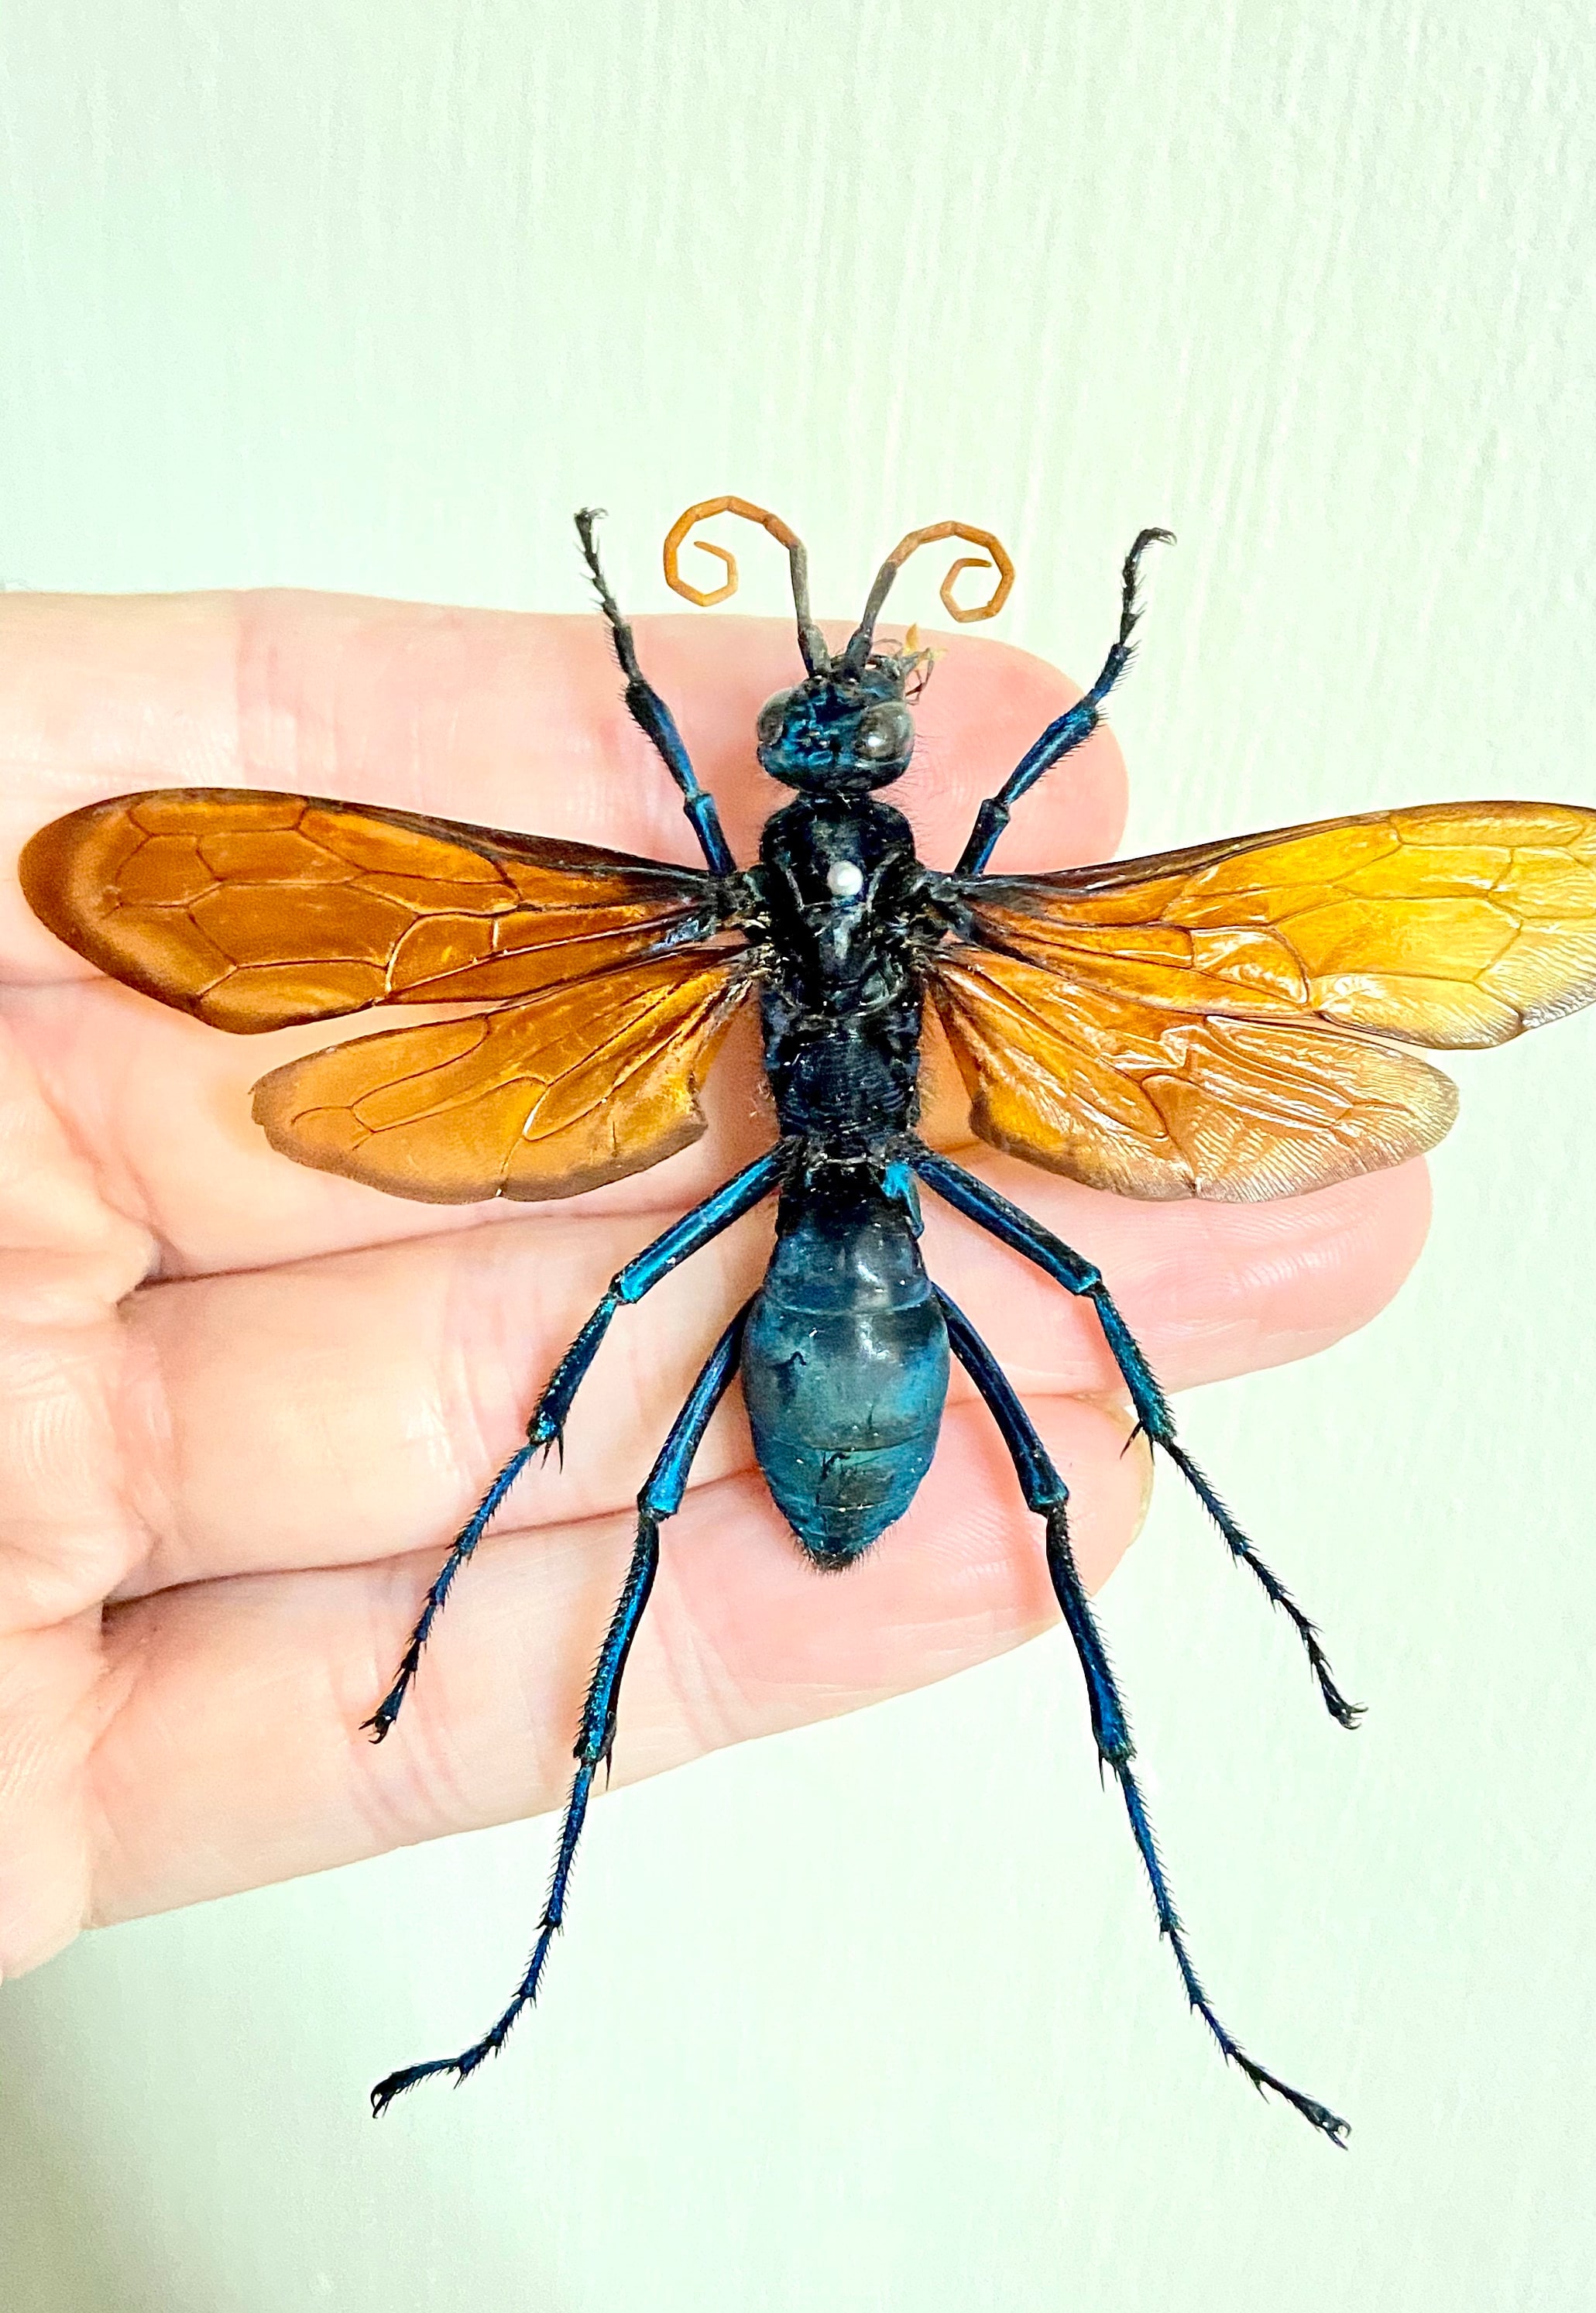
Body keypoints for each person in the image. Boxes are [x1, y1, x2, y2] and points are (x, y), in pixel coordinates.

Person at [0, 585, 1425, 1981]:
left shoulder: (751, 883)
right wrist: (1093, 686)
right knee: (1045, 1380)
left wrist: (640, 663)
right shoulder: (904, 894)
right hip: (857, 1238)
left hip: (812, 1237)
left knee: (698, 1387)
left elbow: (700, 792)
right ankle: (558, 1918)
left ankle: (1164, 1908)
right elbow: (956, 815)